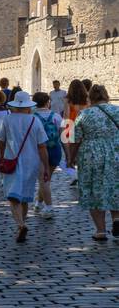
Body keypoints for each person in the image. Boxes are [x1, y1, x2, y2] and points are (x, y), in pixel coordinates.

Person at [0, 93, 50, 243]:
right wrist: (46, 166)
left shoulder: (6, 119)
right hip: (32, 162)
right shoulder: (35, 120)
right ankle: (22, 224)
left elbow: (0, 142)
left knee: (13, 196)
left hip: (12, 160)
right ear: (28, 106)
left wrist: (0, 158)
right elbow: (42, 146)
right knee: (24, 197)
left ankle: (20, 224)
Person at [73, 83, 119, 242]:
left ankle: (100, 231)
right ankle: (116, 220)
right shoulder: (117, 110)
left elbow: (76, 138)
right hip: (116, 152)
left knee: (93, 189)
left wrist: (71, 158)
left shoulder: (84, 114)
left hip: (91, 155)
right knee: (115, 187)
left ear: (90, 97)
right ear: (106, 95)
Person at [31, 91, 63, 219]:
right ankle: (38, 203)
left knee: (43, 180)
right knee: (46, 179)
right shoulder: (56, 116)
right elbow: (64, 136)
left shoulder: (32, 117)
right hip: (55, 150)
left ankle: (49, 207)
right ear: (48, 102)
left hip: (38, 151)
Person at [63, 79, 89, 178]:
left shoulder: (68, 100)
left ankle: (74, 169)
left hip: (71, 126)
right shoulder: (86, 98)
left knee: (72, 152)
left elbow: (66, 115)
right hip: (84, 125)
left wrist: (63, 134)